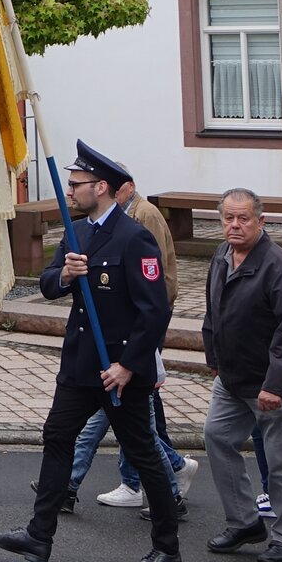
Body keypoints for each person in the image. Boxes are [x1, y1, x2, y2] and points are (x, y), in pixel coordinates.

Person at [0, 140, 181, 562]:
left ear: (101, 187)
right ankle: (38, 537)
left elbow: (154, 311)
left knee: (143, 453)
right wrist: (66, 275)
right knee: (57, 437)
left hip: (119, 371)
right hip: (82, 363)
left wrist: (129, 365)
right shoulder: (77, 232)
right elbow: (49, 284)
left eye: (77, 184)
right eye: (69, 183)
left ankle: (168, 550)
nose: (70, 191)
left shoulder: (134, 237)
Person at [70, 174, 195, 512]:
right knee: (129, 414)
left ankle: (160, 487)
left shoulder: (142, 217)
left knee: (131, 416)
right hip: (123, 333)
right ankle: (137, 480)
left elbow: (150, 284)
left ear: (123, 187)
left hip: (139, 330)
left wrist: (137, 352)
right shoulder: (109, 221)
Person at [201, 187, 282, 562]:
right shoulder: (222, 254)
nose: (235, 225)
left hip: (269, 385)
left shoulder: (278, 266)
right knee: (217, 437)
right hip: (231, 378)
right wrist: (214, 357)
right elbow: (213, 309)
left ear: (261, 221)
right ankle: (244, 522)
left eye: (243, 218)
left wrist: (276, 384)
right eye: (228, 218)